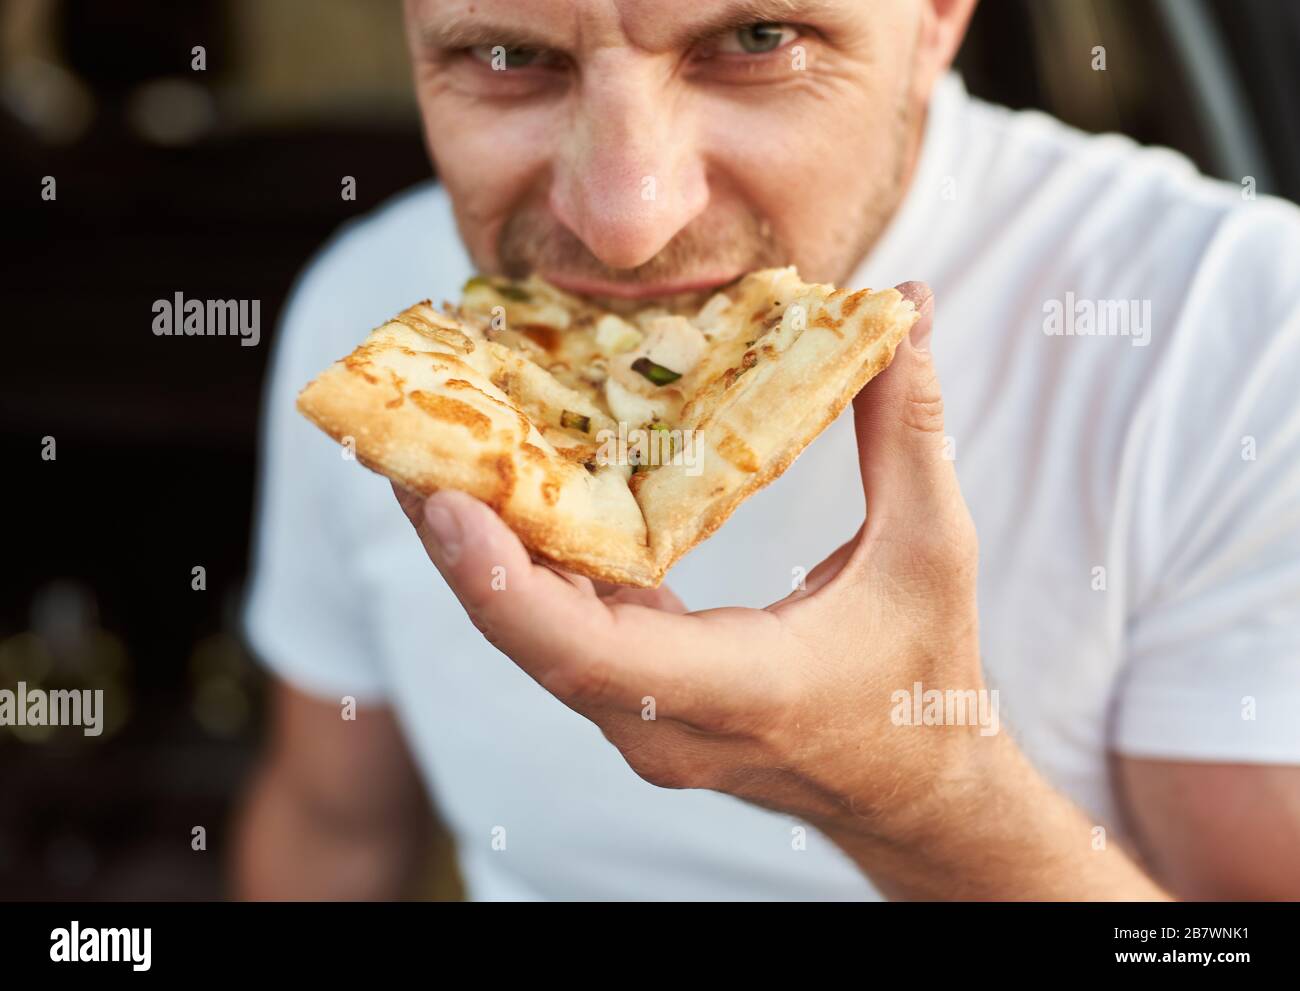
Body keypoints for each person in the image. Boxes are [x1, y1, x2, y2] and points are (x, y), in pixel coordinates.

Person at [234, 0, 1300, 900]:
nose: (624, 224)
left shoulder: (1241, 335)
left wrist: (922, 797)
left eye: (754, 41)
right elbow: (332, 822)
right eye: (508, 58)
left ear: (936, 17)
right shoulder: (377, 324)